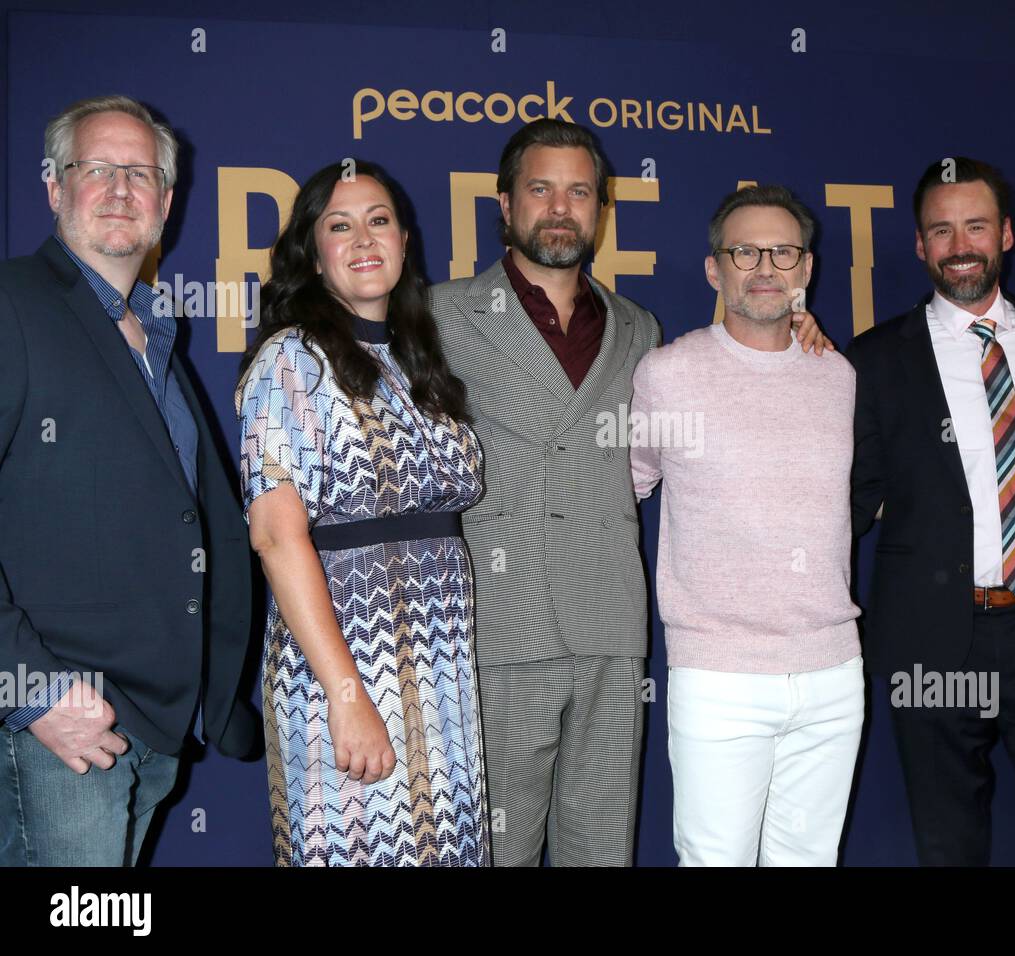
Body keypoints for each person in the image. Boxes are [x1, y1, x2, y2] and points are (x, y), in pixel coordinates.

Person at [429, 118, 830, 866]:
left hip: (611, 626)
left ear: (601, 211)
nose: (560, 207)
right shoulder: (441, 314)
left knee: (600, 850)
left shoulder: (638, 331)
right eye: (540, 189)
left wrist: (805, 331)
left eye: (579, 191)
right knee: (492, 851)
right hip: (500, 629)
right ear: (505, 205)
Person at [0, 94, 259, 866]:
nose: (119, 189)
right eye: (97, 169)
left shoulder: (152, 336)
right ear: (54, 188)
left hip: (149, 729)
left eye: (140, 173)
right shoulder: (12, 303)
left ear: (167, 204)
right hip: (59, 734)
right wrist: (31, 693)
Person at [845, 157, 1015, 865]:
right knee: (949, 845)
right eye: (942, 229)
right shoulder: (869, 362)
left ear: (1007, 234)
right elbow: (845, 502)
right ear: (921, 245)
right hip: (931, 639)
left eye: (977, 225)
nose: (961, 244)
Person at [237, 160, 488, 866]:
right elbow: (276, 535)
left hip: (440, 677)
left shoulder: (419, 359)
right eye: (338, 226)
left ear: (405, 241)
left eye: (378, 221)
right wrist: (347, 695)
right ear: (313, 257)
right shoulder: (290, 361)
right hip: (345, 670)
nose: (363, 239)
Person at [630, 185, 863, 866]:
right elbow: (623, 488)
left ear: (807, 268)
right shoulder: (667, 374)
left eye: (782, 251)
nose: (765, 267)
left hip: (832, 672)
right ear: (715, 269)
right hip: (718, 675)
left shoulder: (838, 375)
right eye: (744, 251)